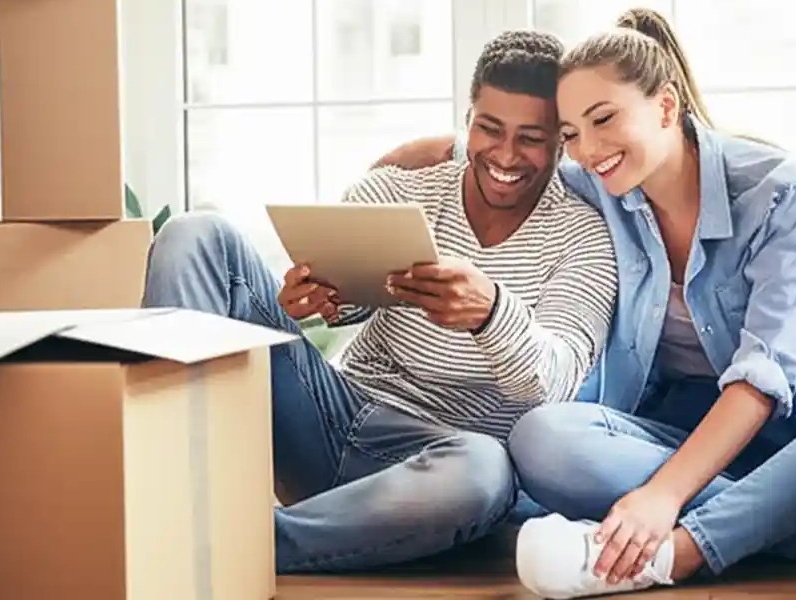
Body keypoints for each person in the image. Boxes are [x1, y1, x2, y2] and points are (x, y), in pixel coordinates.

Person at [380, 8, 796, 598]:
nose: (587, 149)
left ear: (665, 106)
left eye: (604, 119)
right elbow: (504, 153)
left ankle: (681, 551)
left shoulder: (781, 191)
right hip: (670, 431)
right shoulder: (596, 183)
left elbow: (765, 378)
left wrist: (663, 497)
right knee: (541, 437)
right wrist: (421, 151)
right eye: (570, 135)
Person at [140, 29, 617, 574]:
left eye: (531, 137)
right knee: (193, 234)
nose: (505, 155)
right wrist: (320, 297)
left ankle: (243, 545)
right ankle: (173, 498)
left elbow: (554, 381)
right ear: (467, 121)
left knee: (485, 469)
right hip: (333, 416)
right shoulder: (404, 187)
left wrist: (491, 314)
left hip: (445, 462)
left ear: (560, 140)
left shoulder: (585, 239)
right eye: (490, 129)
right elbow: (341, 292)